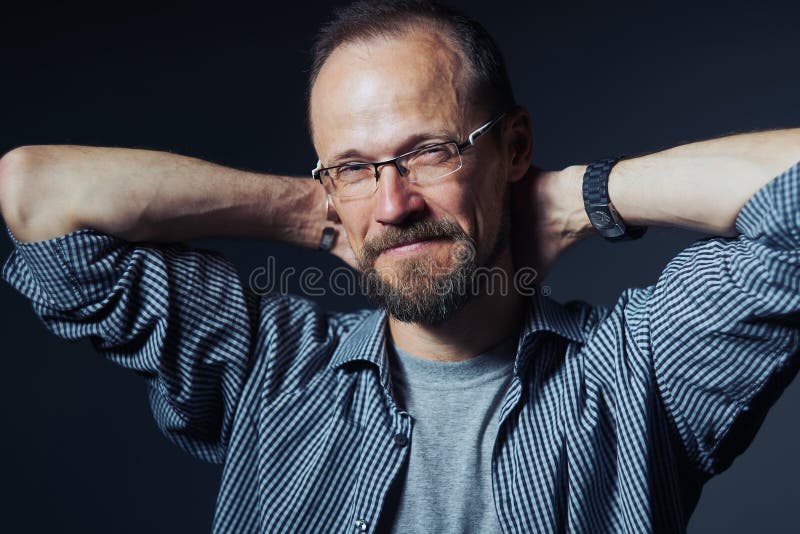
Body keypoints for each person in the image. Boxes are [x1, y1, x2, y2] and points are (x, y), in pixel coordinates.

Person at [1, 0, 798, 532]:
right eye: (353, 167)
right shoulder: (266, 370)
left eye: (428, 152)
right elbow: (35, 194)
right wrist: (305, 208)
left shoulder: (640, 371)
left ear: (514, 148)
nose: (392, 204)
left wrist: (580, 199)